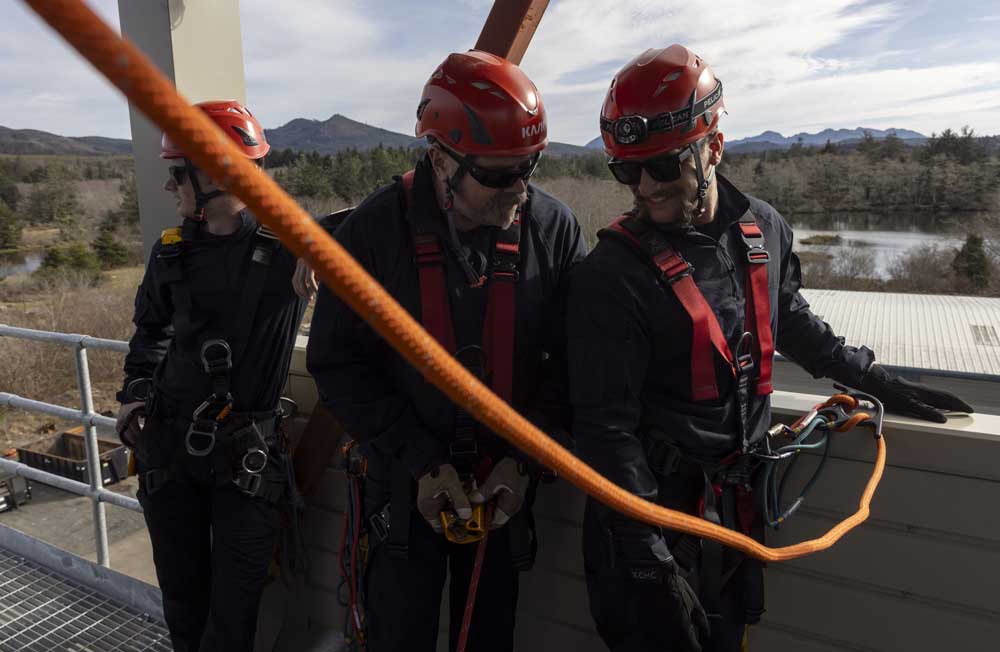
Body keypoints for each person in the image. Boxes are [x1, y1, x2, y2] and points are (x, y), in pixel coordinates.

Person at [566, 45, 974, 652]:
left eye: (664, 166)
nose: (645, 187)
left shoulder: (763, 231)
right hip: (652, 527)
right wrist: (649, 562)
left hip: (732, 516)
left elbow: (785, 318)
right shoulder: (612, 276)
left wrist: (872, 379)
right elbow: (605, 430)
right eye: (626, 171)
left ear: (714, 148)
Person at [306, 50, 586, 652]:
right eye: (497, 174)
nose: (519, 191)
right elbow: (337, 362)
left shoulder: (553, 232)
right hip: (406, 492)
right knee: (397, 635)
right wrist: (419, 459)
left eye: (529, 168)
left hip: (502, 491)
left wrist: (526, 460)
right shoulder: (376, 235)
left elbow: (574, 362)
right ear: (440, 160)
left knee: (487, 639)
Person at [115, 100, 307, 652]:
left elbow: (369, 233)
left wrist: (319, 256)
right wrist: (133, 397)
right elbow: (150, 334)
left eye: (179, 174)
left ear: (216, 176)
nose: (171, 187)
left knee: (232, 617)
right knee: (183, 607)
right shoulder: (170, 254)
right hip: (170, 450)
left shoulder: (292, 250)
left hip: (245, 460)